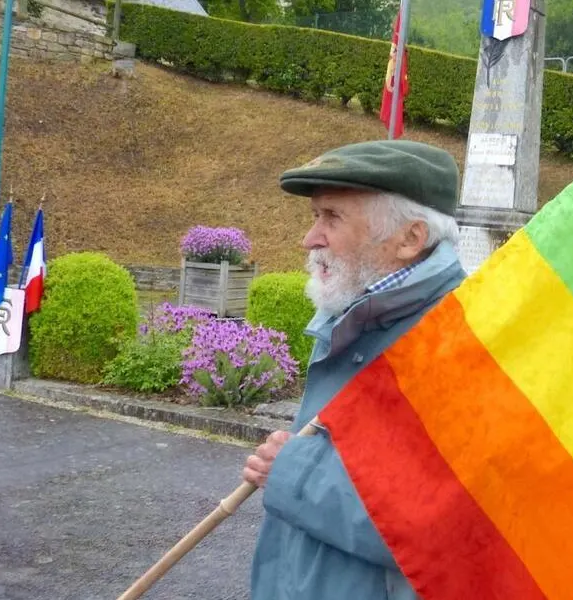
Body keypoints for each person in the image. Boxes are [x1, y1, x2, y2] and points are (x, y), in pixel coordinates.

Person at [243, 139, 467, 600]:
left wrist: (292, 472)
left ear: (410, 238)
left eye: (333, 217)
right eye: (315, 217)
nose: (310, 239)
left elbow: (443, 529)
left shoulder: (458, 341)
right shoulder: (355, 310)